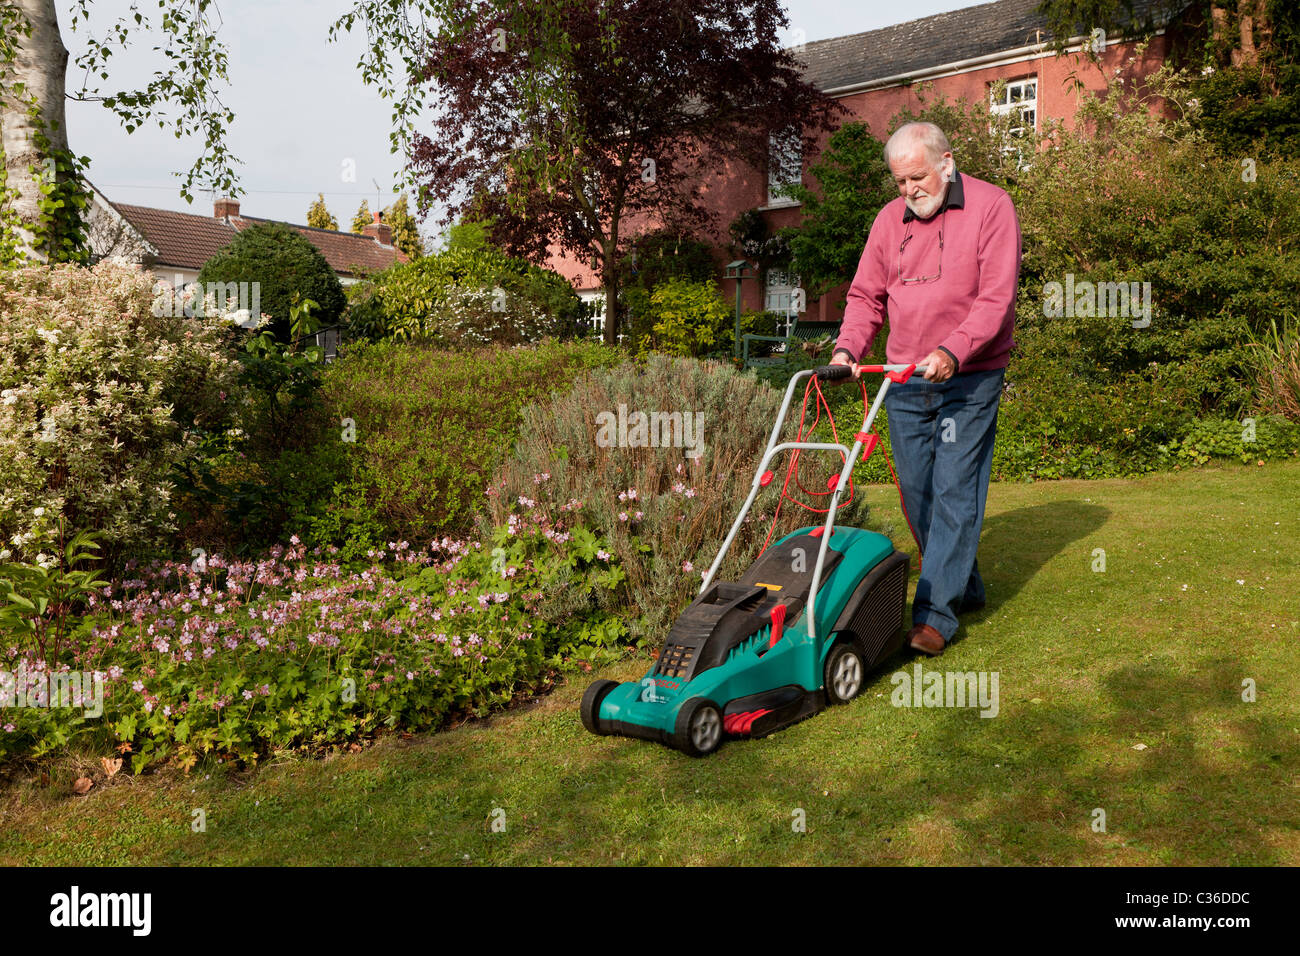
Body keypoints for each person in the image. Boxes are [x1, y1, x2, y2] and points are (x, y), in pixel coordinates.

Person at [829, 121, 1020, 656]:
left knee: (957, 486)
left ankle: (934, 614)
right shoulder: (889, 222)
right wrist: (848, 349)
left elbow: (995, 299)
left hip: (970, 376)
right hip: (905, 379)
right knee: (919, 496)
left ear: (946, 163)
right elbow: (866, 296)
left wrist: (953, 350)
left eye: (917, 177)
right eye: (899, 182)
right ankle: (965, 585)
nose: (909, 189)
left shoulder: (991, 207)